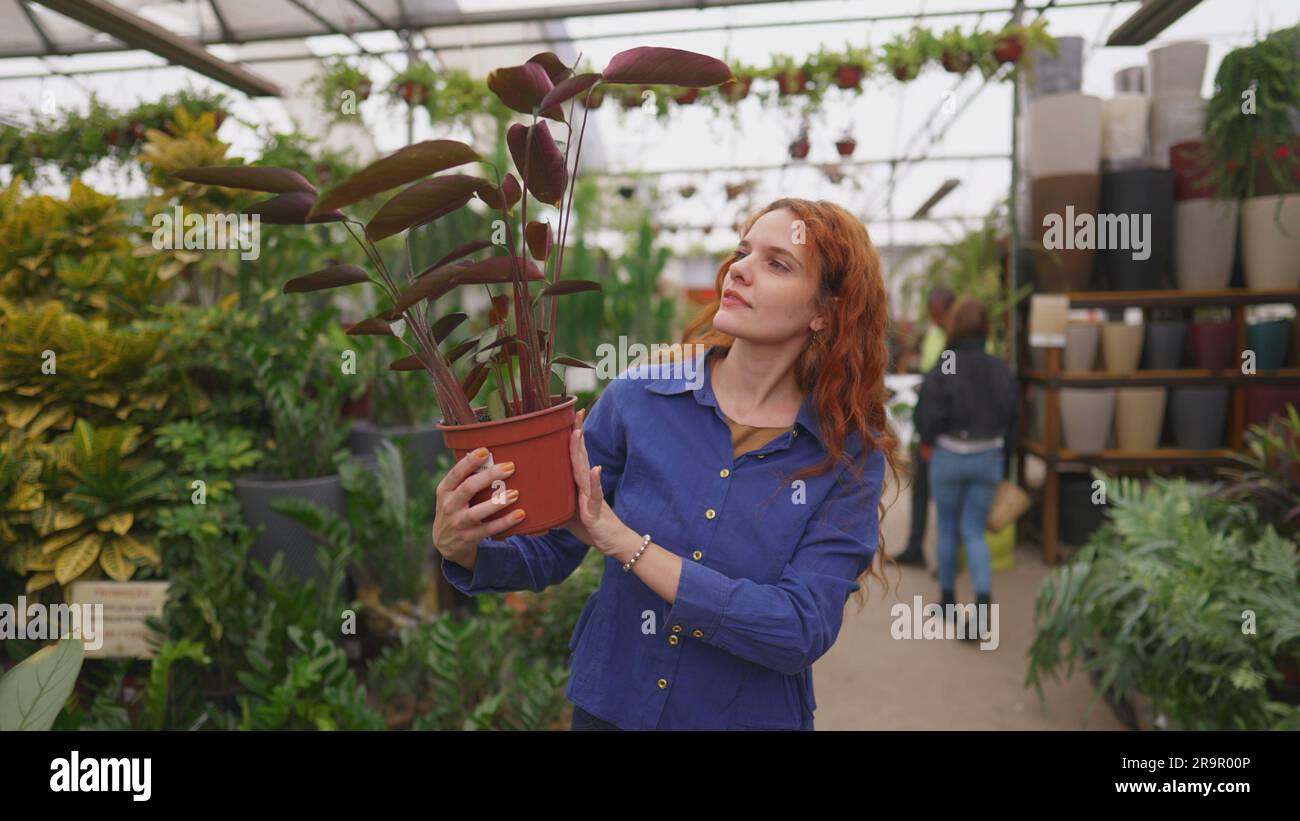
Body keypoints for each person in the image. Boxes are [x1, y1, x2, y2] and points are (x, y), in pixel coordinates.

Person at [431, 198, 899, 730]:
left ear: (826, 310)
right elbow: (552, 545)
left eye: (777, 263)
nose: (740, 269)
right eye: (743, 251)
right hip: (612, 709)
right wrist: (464, 546)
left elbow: (797, 629)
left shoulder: (846, 453)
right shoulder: (639, 400)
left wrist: (624, 543)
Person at [912, 297, 1018, 641]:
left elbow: (926, 412)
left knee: (947, 528)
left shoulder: (947, 364)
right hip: (989, 457)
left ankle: (947, 602)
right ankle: (983, 610)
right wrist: (1006, 464)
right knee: (974, 531)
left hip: (949, 456)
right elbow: (1014, 416)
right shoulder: (998, 367)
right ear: (986, 326)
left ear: (955, 325)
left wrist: (928, 440)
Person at [894, 286, 955, 568]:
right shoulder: (933, 334)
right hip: (928, 423)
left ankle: (949, 562)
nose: (934, 317)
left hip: (947, 430)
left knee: (946, 499)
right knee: (920, 489)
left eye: (937, 312)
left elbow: (953, 386)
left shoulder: (961, 337)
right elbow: (933, 374)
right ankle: (915, 547)